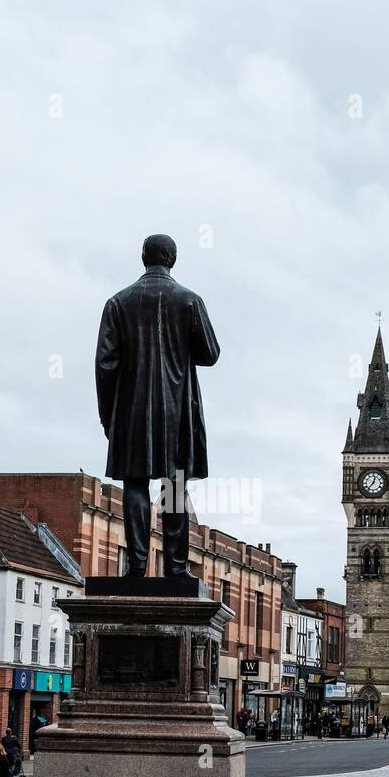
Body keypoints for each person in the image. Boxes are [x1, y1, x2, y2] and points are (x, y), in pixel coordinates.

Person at [95, 234, 220, 581]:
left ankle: (135, 568)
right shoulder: (190, 301)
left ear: (143, 258)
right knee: (175, 485)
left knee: (134, 483)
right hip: (177, 409)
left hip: (131, 410)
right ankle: (176, 570)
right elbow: (210, 353)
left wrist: (108, 415)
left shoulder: (118, 303)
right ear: (173, 260)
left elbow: (104, 364)